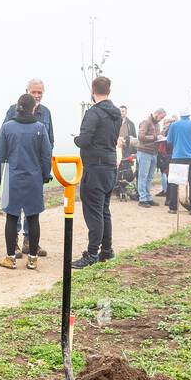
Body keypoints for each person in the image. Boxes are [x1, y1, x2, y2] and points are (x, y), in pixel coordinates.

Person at [0, 94, 53, 269]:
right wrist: (44, 175)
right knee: (33, 218)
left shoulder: (7, 127)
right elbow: (46, 155)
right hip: (33, 179)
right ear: (33, 108)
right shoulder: (40, 128)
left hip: (13, 180)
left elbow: (0, 155)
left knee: (11, 218)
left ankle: (10, 258)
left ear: (18, 107)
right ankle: (33, 259)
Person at [72, 76, 122, 268]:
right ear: (109, 90)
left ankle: (92, 253)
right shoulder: (116, 113)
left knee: (93, 211)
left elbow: (85, 140)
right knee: (104, 210)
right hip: (110, 164)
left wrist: (76, 139)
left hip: (94, 166)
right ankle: (107, 250)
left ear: (93, 90)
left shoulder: (93, 113)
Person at [166, 109, 191, 213]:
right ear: (189, 114)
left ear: (180, 115)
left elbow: (169, 141)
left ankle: (173, 208)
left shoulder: (174, 125)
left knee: (174, 182)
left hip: (177, 156)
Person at [135, 108, 167, 206]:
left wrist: (161, 136)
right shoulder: (145, 122)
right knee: (143, 176)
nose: (161, 119)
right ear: (157, 114)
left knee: (149, 177)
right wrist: (155, 137)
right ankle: (142, 198)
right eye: (161, 117)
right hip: (144, 152)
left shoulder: (157, 124)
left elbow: (155, 136)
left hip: (153, 153)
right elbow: (140, 136)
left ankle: (148, 197)